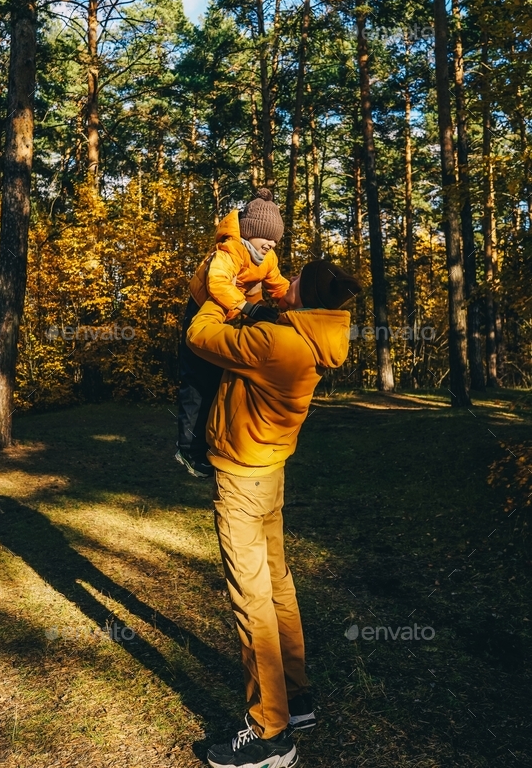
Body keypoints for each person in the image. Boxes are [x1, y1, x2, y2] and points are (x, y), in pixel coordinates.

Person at [186, 259, 362, 768]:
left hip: (242, 475)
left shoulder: (276, 344)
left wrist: (214, 296)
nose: (283, 292)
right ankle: (296, 696)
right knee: (278, 583)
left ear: (305, 302)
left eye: (293, 289)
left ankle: (271, 732)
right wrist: (266, 292)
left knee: (251, 597)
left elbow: (203, 336)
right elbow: (280, 300)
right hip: (271, 469)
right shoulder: (314, 337)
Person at [176, 188, 290, 479]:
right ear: (250, 231)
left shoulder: (268, 259)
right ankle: (188, 451)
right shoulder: (230, 249)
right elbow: (217, 282)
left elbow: (279, 287)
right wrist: (249, 309)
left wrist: (294, 309)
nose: (271, 243)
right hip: (202, 312)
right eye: (267, 237)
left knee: (221, 383)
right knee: (197, 383)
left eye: (276, 238)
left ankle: (213, 446)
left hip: (230, 317)